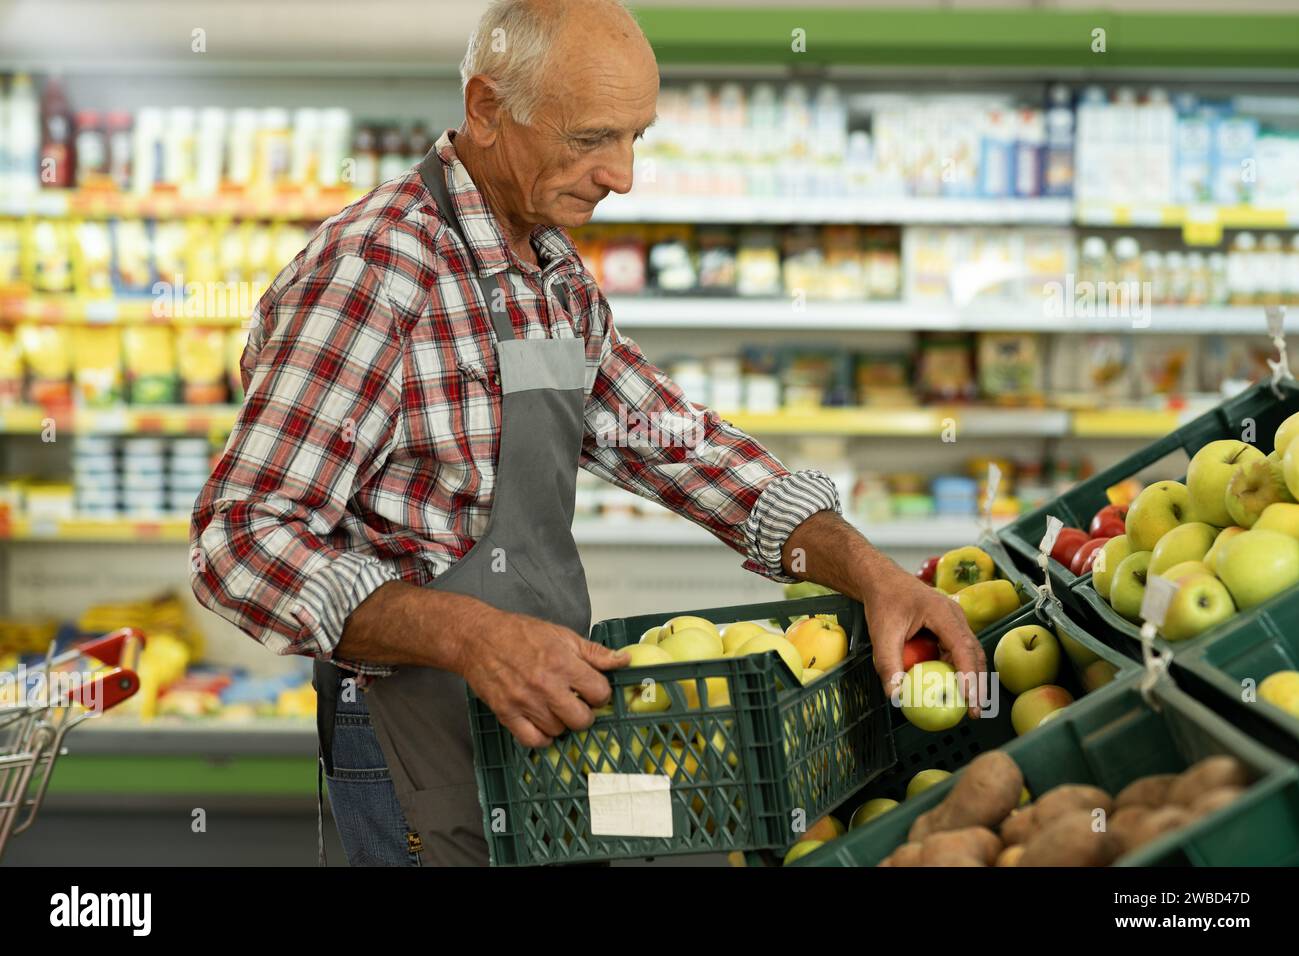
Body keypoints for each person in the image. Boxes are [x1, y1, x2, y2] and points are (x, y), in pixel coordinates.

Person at [189, 0, 983, 867]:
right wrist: (474, 637)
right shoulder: (376, 271)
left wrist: (869, 573)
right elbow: (242, 541)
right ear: (488, 108)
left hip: (538, 713)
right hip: (411, 733)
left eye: (637, 137)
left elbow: (683, 447)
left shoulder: (552, 272)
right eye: (591, 139)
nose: (623, 175)